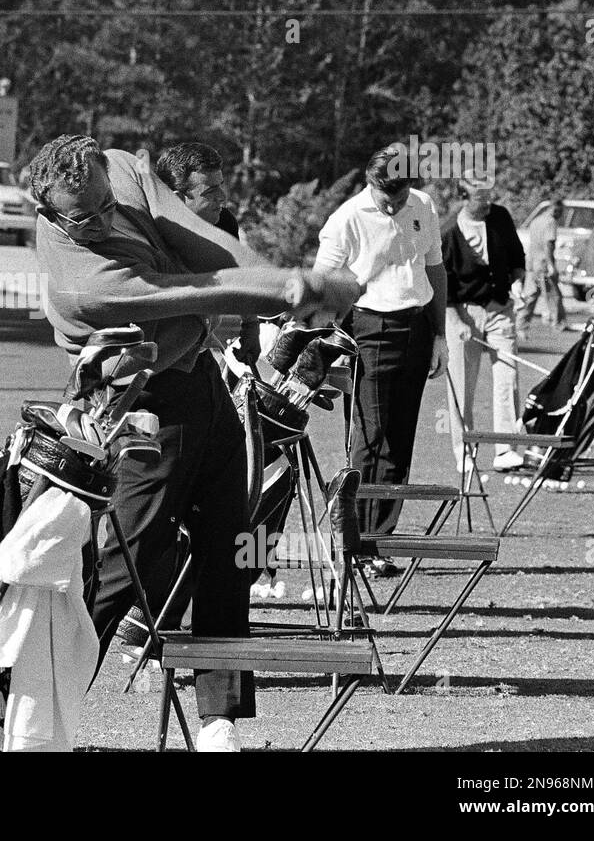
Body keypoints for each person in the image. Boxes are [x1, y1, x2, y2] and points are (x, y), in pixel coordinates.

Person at [29, 134, 358, 751]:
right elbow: (197, 291)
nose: (102, 222)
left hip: (202, 385)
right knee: (125, 564)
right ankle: (33, 716)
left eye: (108, 206)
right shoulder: (85, 283)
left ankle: (217, 720)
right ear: (48, 211)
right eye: (84, 217)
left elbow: (203, 240)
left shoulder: (120, 168)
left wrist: (291, 287)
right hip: (142, 409)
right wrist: (294, 290)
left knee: (230, 548)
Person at [313, 145, 448, 575]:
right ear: (370, 182)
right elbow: (322, 283)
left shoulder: (423, 205)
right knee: (369, 438)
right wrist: (324, 343)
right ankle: (353, 543)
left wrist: (440, 335)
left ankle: (379, 541)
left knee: (400, 439)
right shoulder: (346, 219)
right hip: (369, 327)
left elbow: (435, 269)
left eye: (399, 196)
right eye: (384, 196)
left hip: (417, 325)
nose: (391, 205)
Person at [440, 178, 526, 473]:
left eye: (490, 197)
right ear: (464, 197)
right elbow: (442, 285)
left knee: (508, 378)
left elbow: (517, 258)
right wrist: (456, 321)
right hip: (463, 313)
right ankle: (464, 450)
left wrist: (518, 284)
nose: (488, 203)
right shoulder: (448, 231)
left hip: (501, 308)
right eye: (481, 198)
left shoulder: (500, 217)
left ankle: (506, 449)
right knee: (461, 385)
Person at [153, 142, 260, 366]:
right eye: (210, 192)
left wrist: (251, 325)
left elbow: (238, 277)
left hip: (199, 348)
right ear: (177, 199)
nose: (222, 197)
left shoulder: (224, 222)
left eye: (221, 186)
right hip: (151, 355)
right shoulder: (149, 232)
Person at [517, 198, 567, 337]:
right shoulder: (550, 222)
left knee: (531, 295)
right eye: (560, 212)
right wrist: (551, 266)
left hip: (532, 264)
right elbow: (548, 245)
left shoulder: (536, 220)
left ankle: (520, 323)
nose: (560, 215)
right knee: (553, 295)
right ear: (555, 209)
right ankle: (558, 323)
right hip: (544, 265)